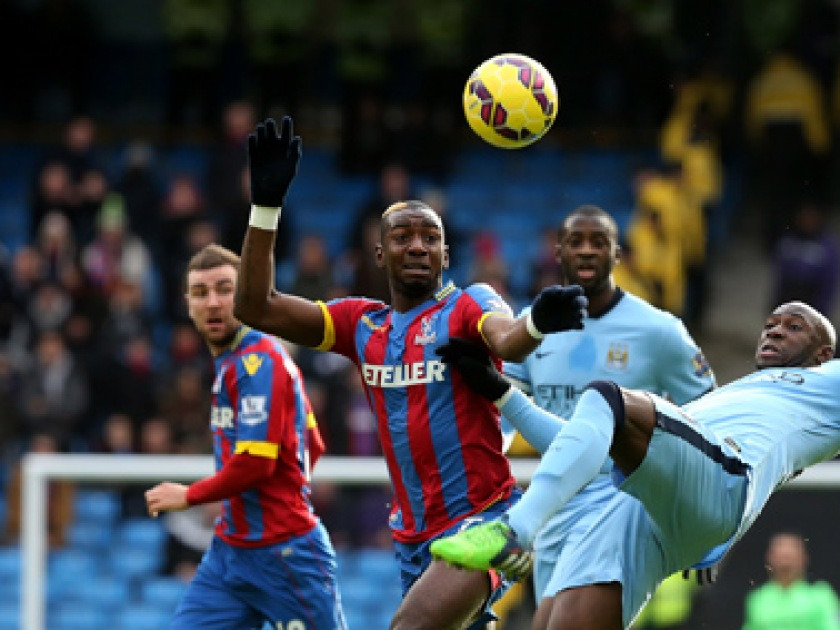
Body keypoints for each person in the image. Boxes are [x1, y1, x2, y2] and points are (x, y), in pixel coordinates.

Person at [429, 300, 840, 629]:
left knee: (608, 396)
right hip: (643, 519)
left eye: (793, 326)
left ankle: (513, 534)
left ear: (824, 351)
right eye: (770, 322)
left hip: (720, 485)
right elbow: (577, 440)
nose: (773, 329)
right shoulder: (727, 399)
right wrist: (500, 393)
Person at [232, 116, 588, 629]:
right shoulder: (361, 325)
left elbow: (508, 338)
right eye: (403, 237)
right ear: (380, 253)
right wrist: (265, 208)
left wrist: (537, 320)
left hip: (483, 520)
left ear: (446, 253)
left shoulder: (467, 305)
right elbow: (256, 308)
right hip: (411, 538)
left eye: (431, 237)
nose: (418, 245)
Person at [501, 204, 717, 604]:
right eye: (576, 242)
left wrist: (702, 523)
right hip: (552, 510)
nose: (586, 251)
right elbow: (501, 421)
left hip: (623, 506)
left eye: (599, 242)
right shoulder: (531, 327)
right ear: (559, 252)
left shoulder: (658, 331)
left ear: (617, 255)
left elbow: (709, 419)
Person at [144, 243, 346, 629]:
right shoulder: (236, 362)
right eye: (201, 293)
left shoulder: (259, 361)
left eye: (225, 289)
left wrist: (189, 495)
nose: (213, 302)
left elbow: (256, 461)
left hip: (285, 555)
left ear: (246, 295)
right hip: (231, 553)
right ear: (187, 303)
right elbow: (312, 444)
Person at [742, 532, 840, 630]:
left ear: (803, 558)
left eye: (789, 557)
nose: (785, 564)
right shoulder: (758, 599)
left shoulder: (821, 595)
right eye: (780, 558)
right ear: (769, 559)